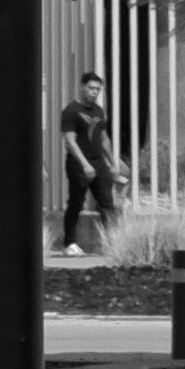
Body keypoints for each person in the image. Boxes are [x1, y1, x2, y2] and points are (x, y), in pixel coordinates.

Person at [57, 78, 123, 256]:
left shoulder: (99, 111)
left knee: (107, 203)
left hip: (98, 162)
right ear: (82, 88)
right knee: (76, 202)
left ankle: (111, 242)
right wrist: (85, 165)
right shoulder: (71, 111)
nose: (94, 92)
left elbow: (104, 138)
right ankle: (70, 243)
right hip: (78, 163)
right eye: (91, 88)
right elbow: (70, 141)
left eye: (97, 89)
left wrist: (112, 163)